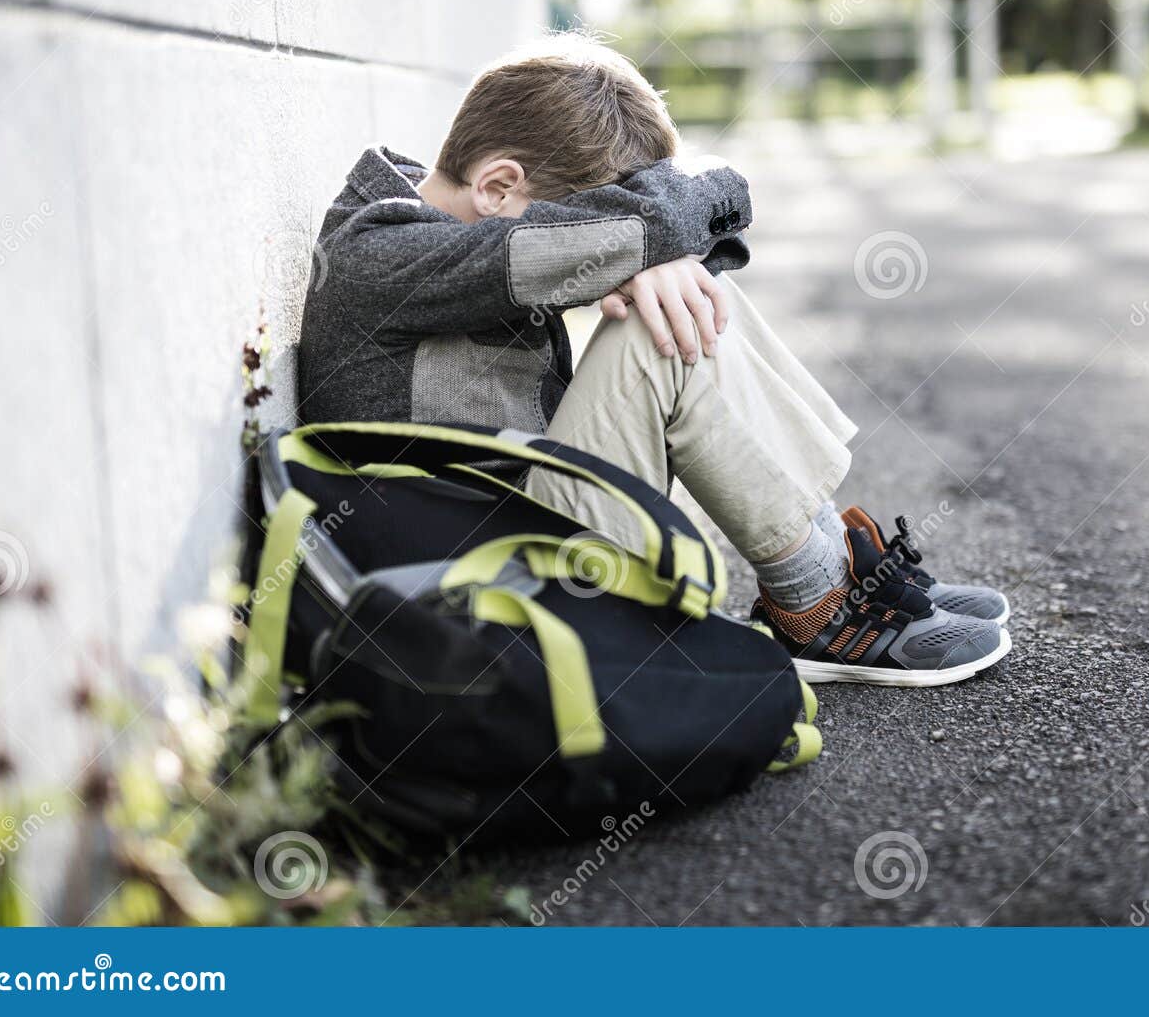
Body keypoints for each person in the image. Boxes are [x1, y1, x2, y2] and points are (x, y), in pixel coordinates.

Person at [299, 34, 1010, 686]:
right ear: (495, 187)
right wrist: (642, 249)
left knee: (684, 293)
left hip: (524, 534)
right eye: (577, 222)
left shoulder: (457, 217)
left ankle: (832, 564)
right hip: (478, 597)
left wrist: (648, 253)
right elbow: (671, 218)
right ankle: (820, 606)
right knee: (658, 327)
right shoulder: (382, 255)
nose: (593, 243)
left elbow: (697, 210)